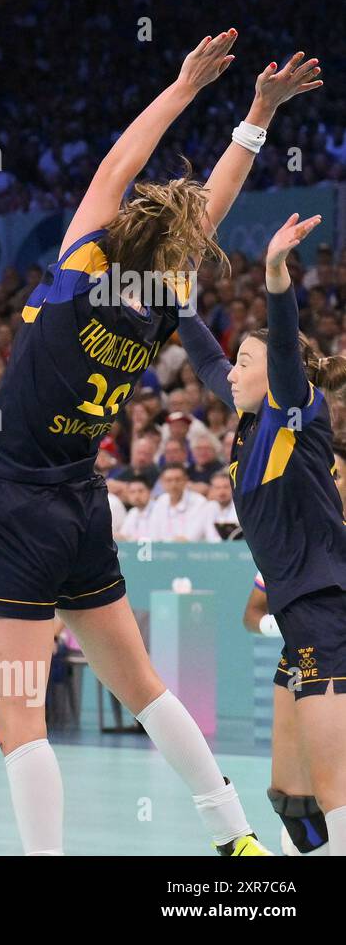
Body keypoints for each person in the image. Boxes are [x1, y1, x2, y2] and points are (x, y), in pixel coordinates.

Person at [0, 32, 318, 855]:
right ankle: (233, 836)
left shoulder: (80, 271)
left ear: (118, 231)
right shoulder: (160, 296)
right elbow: (213, 204)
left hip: (18, 504)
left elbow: (118, 162)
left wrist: (182, 86)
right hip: (82, 506)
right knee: (148, 689)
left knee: (19, 718)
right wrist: (258, 115)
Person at [179, 213, 346, 856]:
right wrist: (178, 306)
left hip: (328, 609)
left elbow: (279, 351)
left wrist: (276, 275)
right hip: (298, 619)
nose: (232, 370)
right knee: (292, 802)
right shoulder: (248, 430)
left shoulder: (293, 412)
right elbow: (205, 359)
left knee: (335, 795)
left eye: (243, 361)